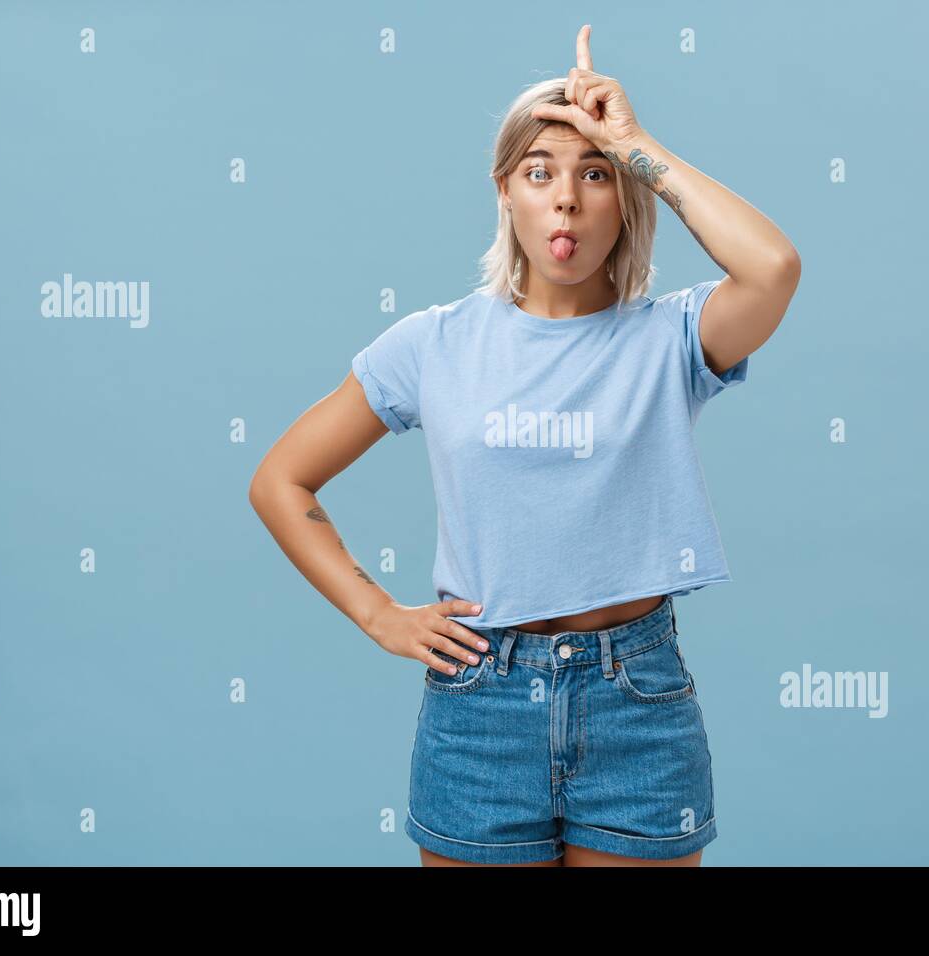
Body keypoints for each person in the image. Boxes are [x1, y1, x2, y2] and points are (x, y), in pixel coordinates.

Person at [249, 25, 800, 867]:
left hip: (636, 703)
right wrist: (378, 614)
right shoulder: (433, 344)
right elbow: (282, 480)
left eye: (595, 176)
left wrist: (635, 142)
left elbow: (773, 268)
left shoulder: (670, 338)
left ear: (627, 198)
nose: (567, 199)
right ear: (505, 192)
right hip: (480, 706)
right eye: (540, 173)